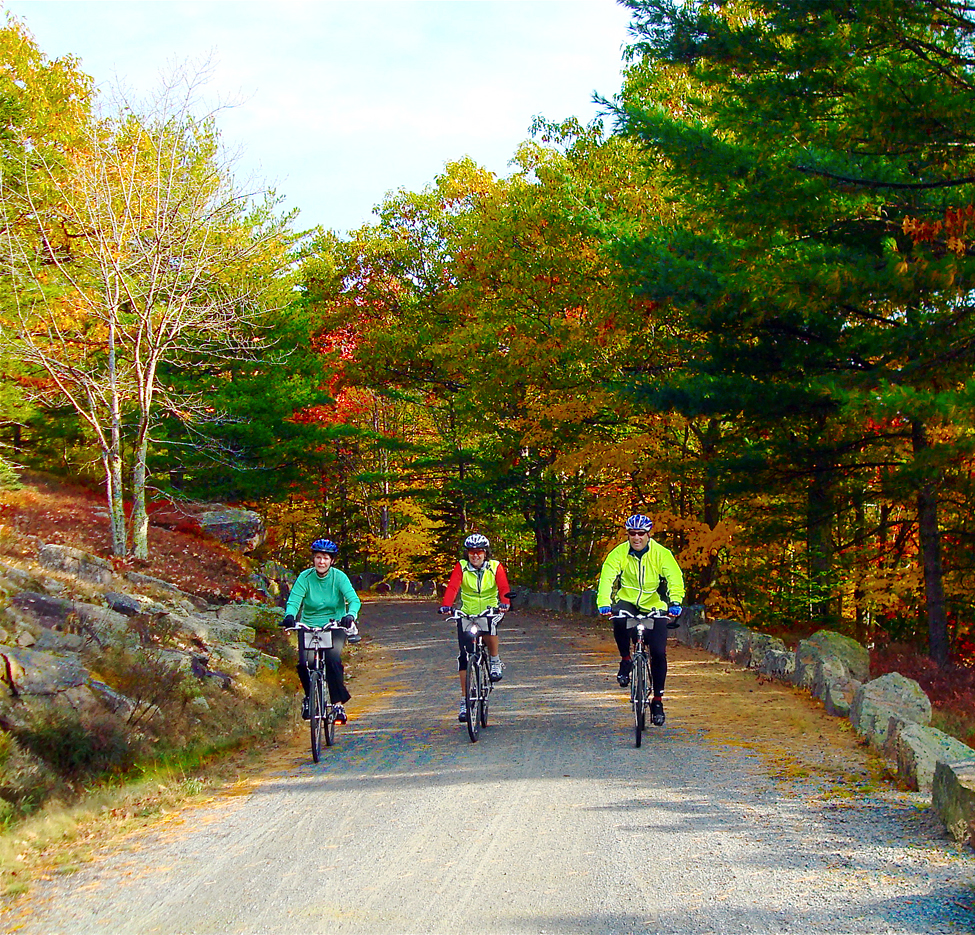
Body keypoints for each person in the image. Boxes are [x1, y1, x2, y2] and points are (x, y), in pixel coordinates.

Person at [596, 514, 684, 726]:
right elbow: (607, 577)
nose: (636, 537)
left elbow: (674, 577)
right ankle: (626, 659)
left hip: (653, 603)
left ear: (648, 534)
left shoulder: (661, 554)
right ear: (627, 534)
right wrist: (604, 602)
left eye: (641, 533)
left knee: (658, 652)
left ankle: (658, 701)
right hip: (628, 601)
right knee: (618, 618)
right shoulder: (619, 553)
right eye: (632, 533)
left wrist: (675, 601)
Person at [280, 538, 361, 725]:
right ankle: (310, 698)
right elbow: (294, 601)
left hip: (334, 625)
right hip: (309, 625)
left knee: (332, 660)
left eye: (325, 558)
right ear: (313, 559)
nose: (321, 561)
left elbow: (353, 600)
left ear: (332, 560)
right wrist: (290, 615)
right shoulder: (305, 577)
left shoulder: (339, 577)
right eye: (318, 557)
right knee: (304, 664)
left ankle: (337, 705)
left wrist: (350, 615)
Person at [438, 533, 511, 722]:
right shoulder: (461, 567)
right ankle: (465, 700)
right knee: (464, 657)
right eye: (471, 552)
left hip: (489, 610)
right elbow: (453, 587)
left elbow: (504, 588)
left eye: (479, 552)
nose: (475, 555)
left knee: (489, 628)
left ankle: (494, 660)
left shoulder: (495, 567)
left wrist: (505, 603)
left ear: (486, 553)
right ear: (467, 553)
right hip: (467, 613)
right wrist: (447, 605)